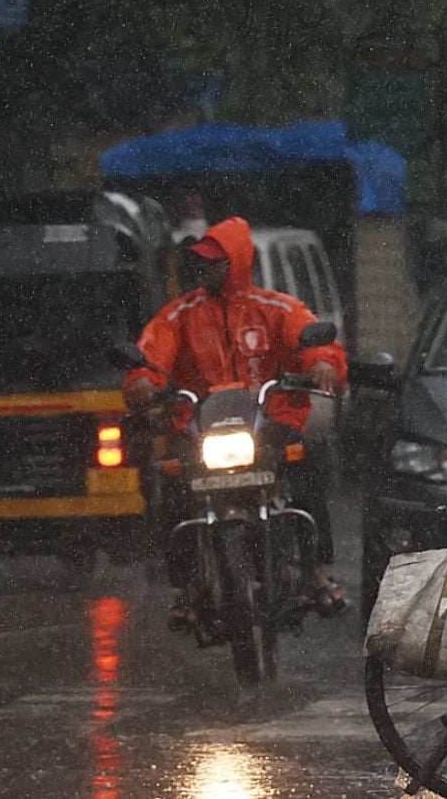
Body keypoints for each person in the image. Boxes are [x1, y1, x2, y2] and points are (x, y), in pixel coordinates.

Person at [123, 216, 348, 623]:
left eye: (215, 262)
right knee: (174, 490)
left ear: (238, 261)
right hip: (200, 429)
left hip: (271, 424)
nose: (206, 269)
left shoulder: (277, 308)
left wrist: (323, 365)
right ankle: (187, 588)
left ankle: (316, 574)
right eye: (203, 262)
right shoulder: (180, 314)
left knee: (307, 476)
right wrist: (141, 380)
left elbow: (316, 342)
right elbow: (151, 354)